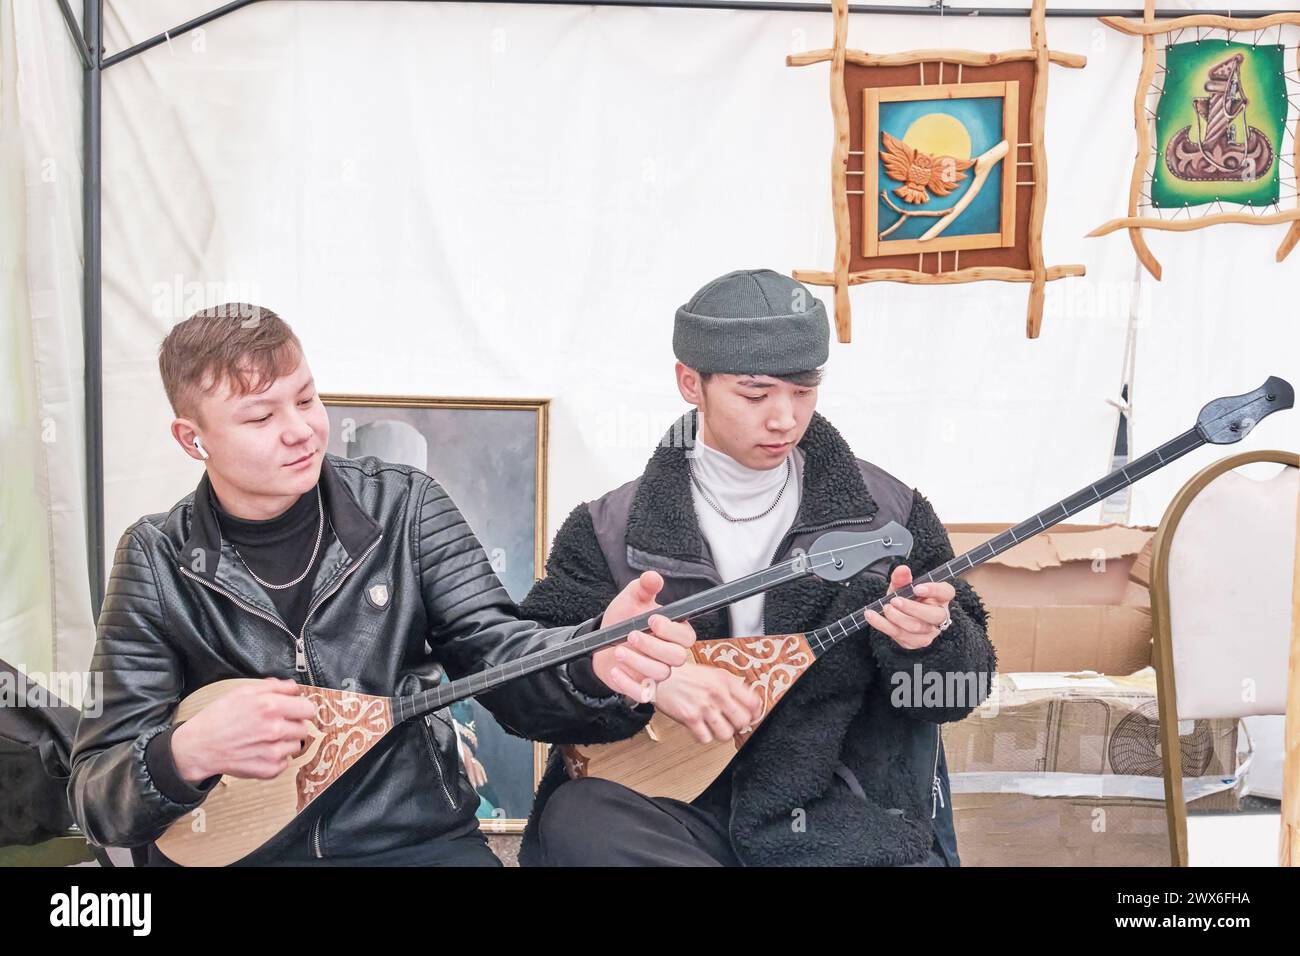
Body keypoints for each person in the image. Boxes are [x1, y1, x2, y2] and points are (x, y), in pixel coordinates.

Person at [68, 303, 693, 866]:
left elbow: (500, 658)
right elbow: (96, 792)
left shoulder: (405, 508)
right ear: (192, 439)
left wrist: (592, 659)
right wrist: (188, 753)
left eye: (306, 399)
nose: (300, 430)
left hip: (412, 841)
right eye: (260, 416)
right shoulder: (155, 558)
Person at [518, 269, 997, 866]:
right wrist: (625, 667)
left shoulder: (888, 516)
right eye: (755, 394)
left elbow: (958, 692)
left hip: (839, 818)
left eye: (803, 392)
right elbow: (526, 690)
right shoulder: (609, 530)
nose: (784, 419)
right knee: (580, 820)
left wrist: (933, 642)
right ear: (690, 382)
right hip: (673, 811)